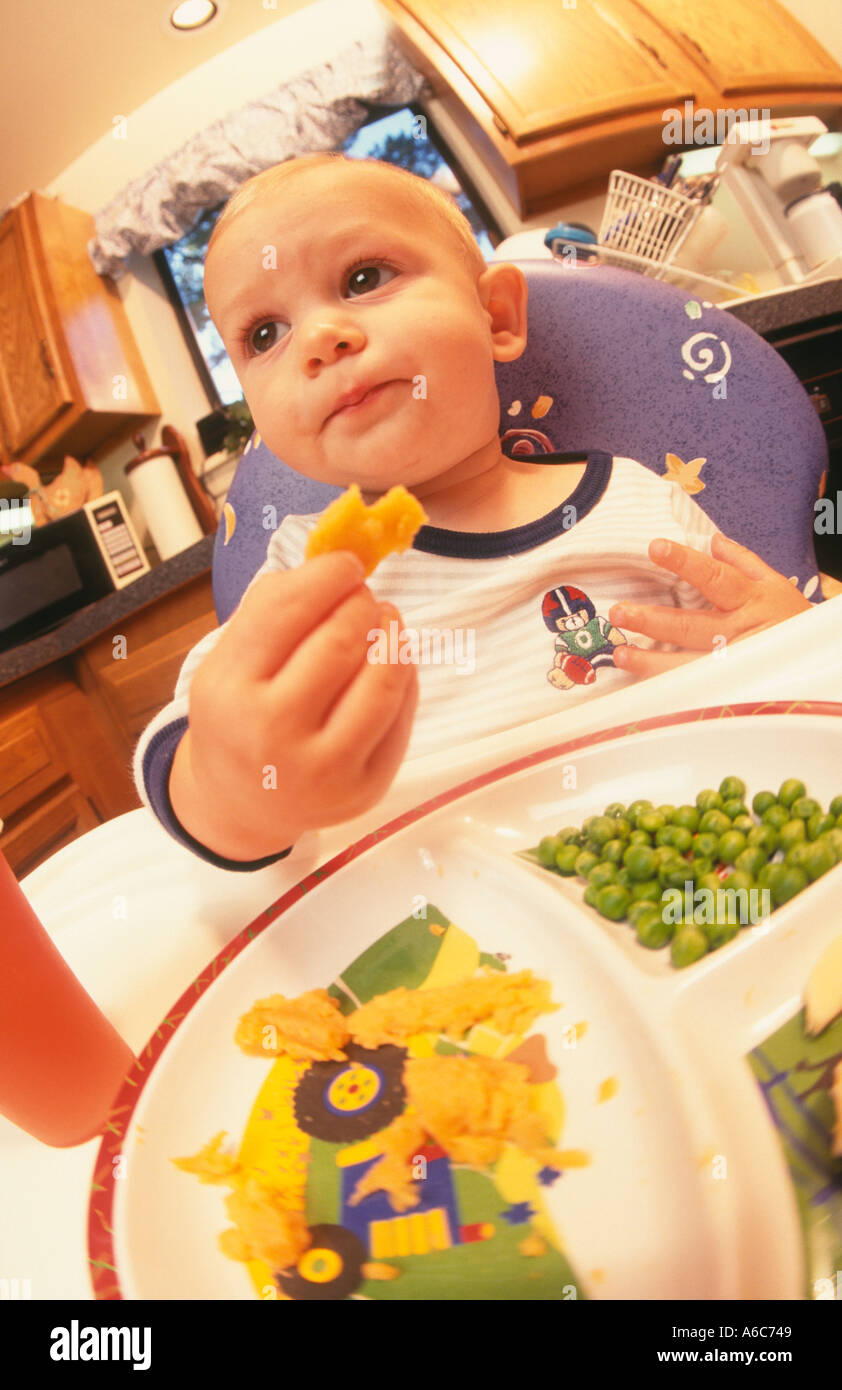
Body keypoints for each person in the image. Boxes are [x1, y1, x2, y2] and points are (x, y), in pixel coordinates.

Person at [135, 153, 816, 871]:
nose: (316, 340)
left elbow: (775, 641)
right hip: (441, 906)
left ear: (495, 317)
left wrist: (792, 642)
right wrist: (240, 796)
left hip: (685, 862)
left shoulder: (639, 501)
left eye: (363, 278)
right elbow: (196, 733)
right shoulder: (306, 572)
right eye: (264, 335)